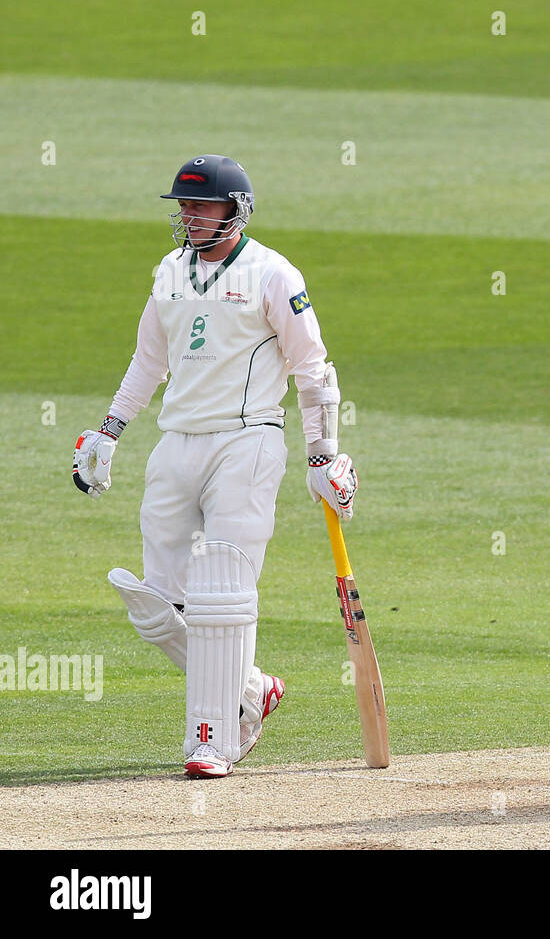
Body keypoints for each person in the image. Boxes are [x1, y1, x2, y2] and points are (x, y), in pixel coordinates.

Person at [73, 155, 359, 778]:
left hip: (247, 442)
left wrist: (324, 456)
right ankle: (251, 691)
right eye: (183, 206)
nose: (189, 216)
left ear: (236, 210)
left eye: (201, 206)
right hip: (177, 443)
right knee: (158, 606)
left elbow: (314, 370)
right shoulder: (170, 272)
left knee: (222, 593)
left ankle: (212, 737)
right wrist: (108, 431)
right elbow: (148, 361)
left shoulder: (273, 274)